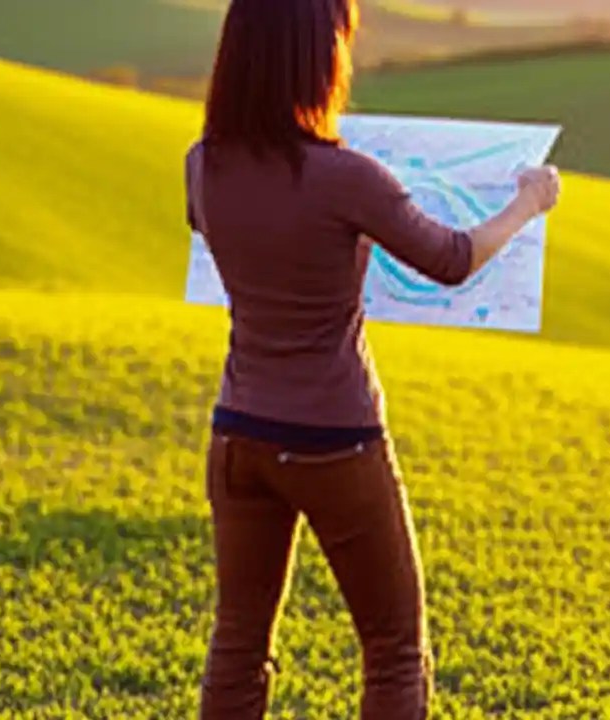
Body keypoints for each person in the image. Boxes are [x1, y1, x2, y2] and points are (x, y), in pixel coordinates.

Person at [185, 0, 561, 717]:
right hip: (335, 440)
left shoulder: (202, 165)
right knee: (394, 650)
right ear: (320, 56)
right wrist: (527, 205)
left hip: (238, 434)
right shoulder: (347, 177)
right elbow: (450, 260)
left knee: (238, 648)